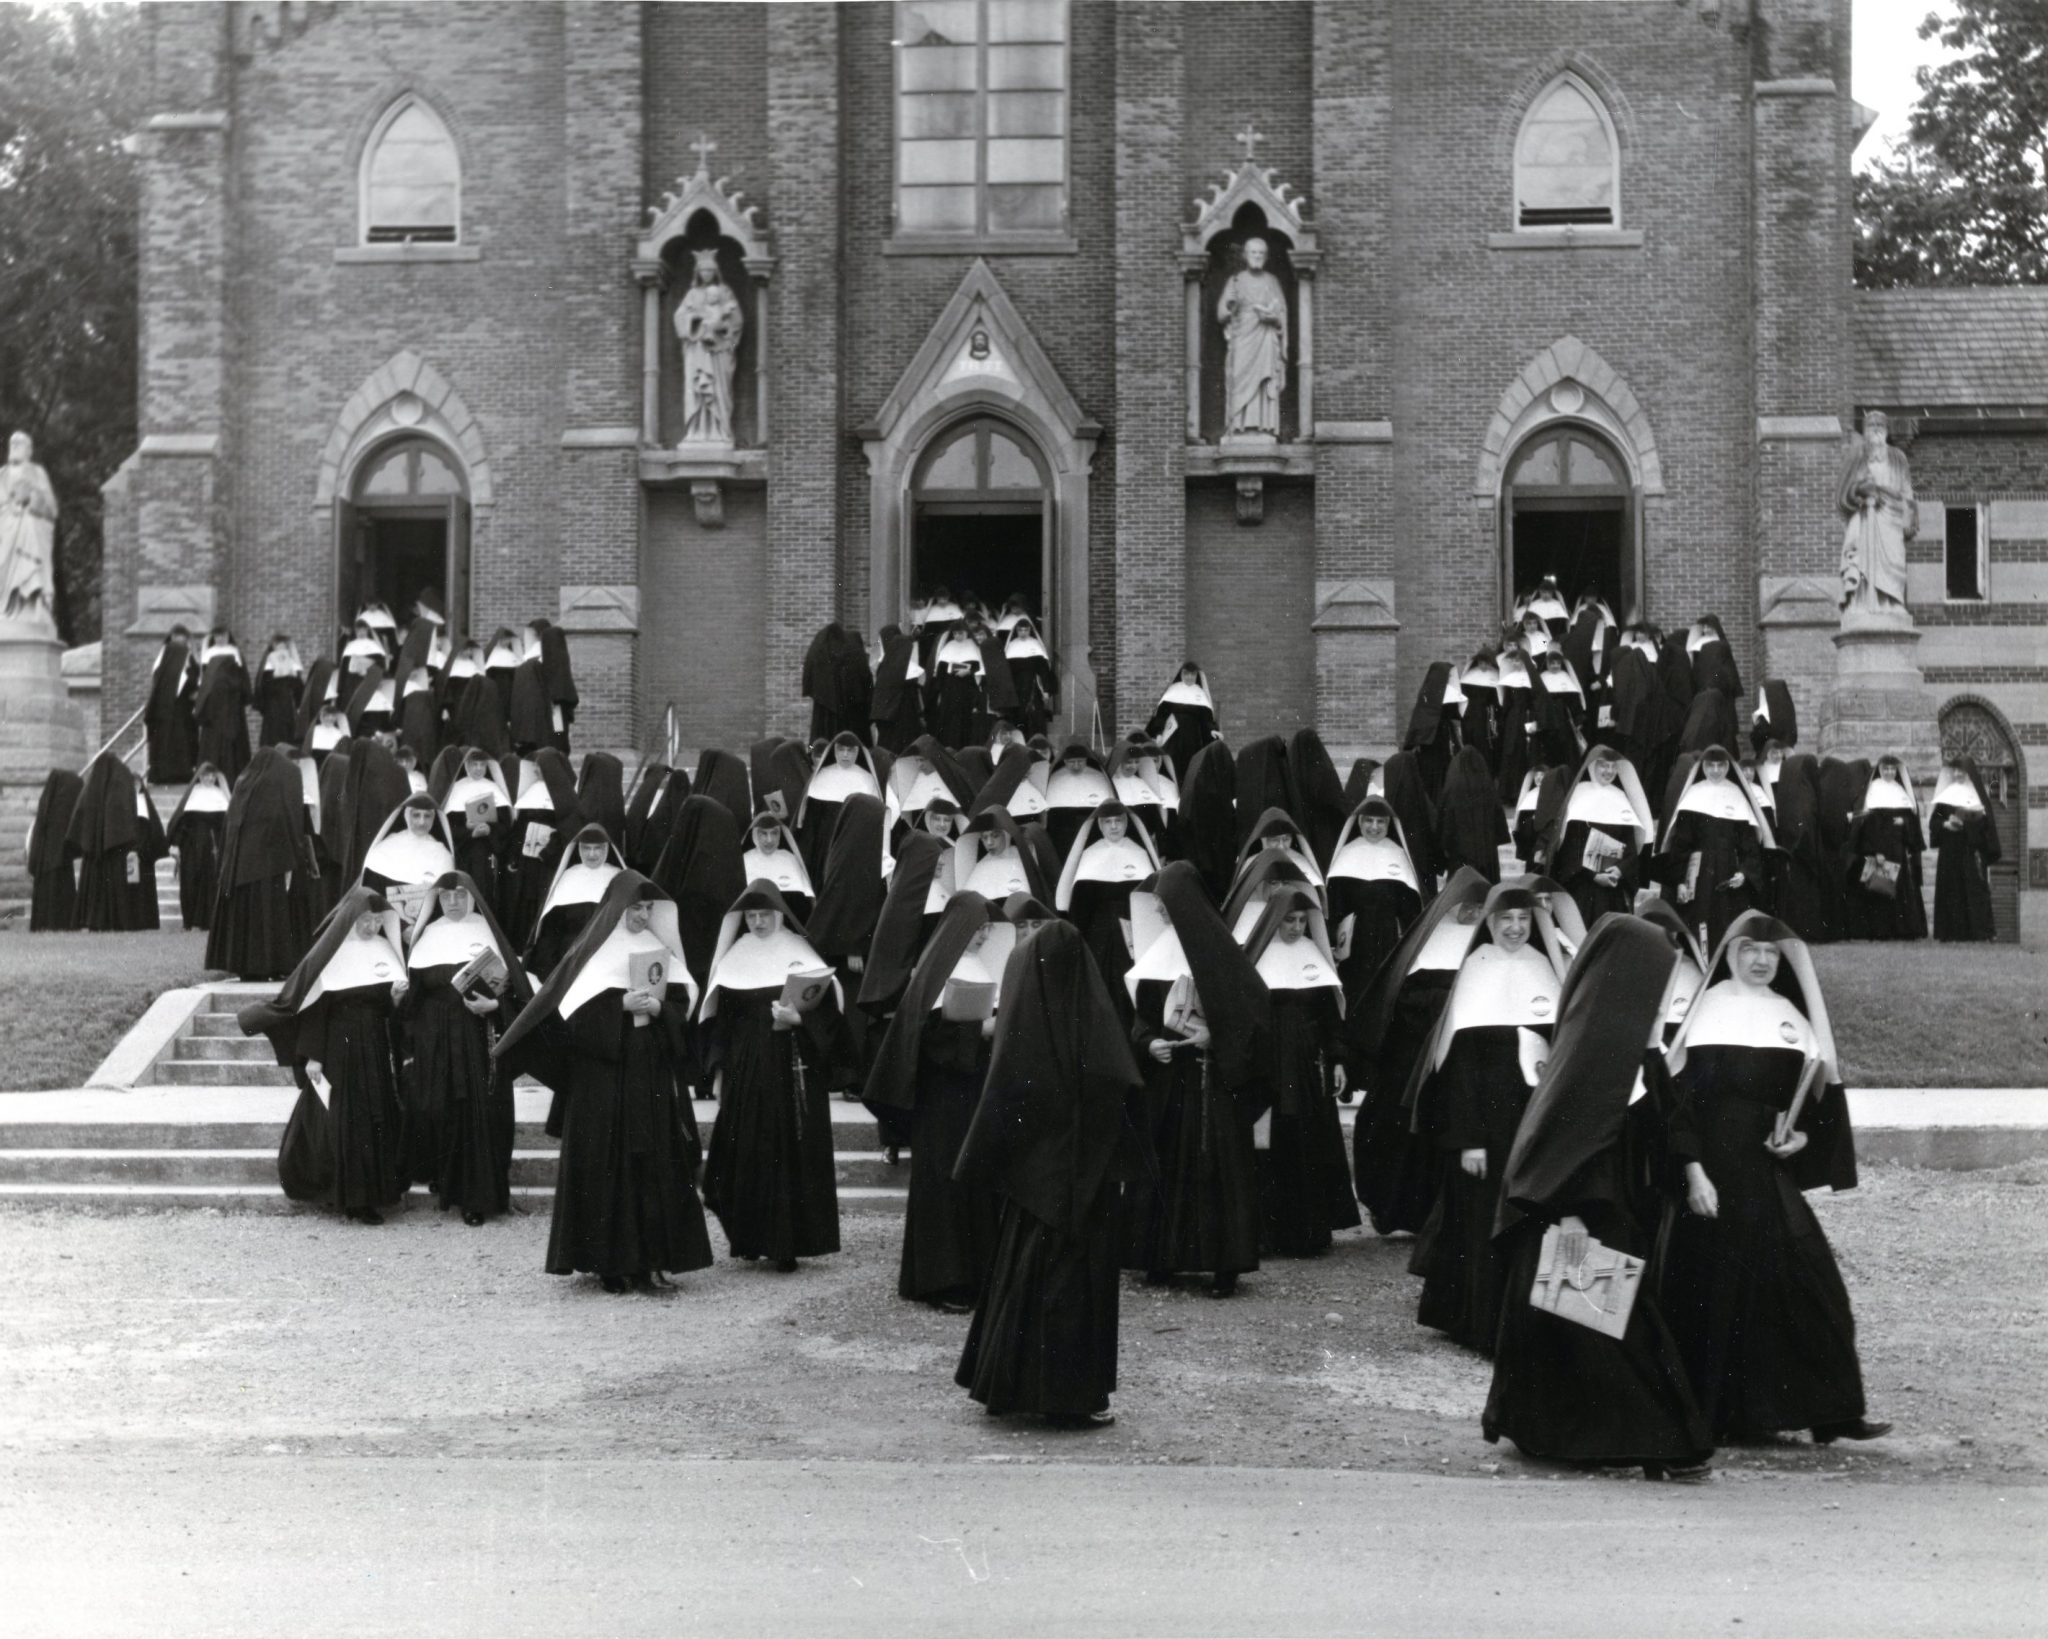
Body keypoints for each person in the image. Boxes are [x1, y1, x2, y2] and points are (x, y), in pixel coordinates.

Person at [1482, 914, 1715, 1481]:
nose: (1667, 998)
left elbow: (1668, 1124)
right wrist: (1568, 1217)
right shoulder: (1592, 1056)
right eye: (1658, 987)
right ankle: (1665, 1444)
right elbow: (1560, 1146)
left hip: (1618, 1213)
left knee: (1586, 1332)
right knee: (1616, 1332)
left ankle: (1571, 1437)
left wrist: (1693, 1172)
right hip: (1577, 1218)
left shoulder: (1642, 1055)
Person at [1661, 914, 1890, 1447]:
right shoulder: (1708, 1007)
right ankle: (1715, 1416)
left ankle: (1833, 1412)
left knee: (1812, 1280)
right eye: (1750, 952)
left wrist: (1801, 1140)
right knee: (1714, 1293)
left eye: (1771, 954)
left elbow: (1811, 1102)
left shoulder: (1790, 1015)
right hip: (1714, 1170)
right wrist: (1693, 1173)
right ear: (1731, 954)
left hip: (1766, 1168)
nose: (1762, 961)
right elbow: (1680, 1108)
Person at [954, 919, 1141, 1427]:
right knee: (1070, 1283)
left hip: (1036, 1174)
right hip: (1079, 1173)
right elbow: (1111, 1083)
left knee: (1021, 1273)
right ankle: (1067, 1397)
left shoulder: (1028, 1026)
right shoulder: (1084, 1022)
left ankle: (1005, 1386)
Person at [496, 872, 715, 1291]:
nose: (642, 915)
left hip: (649, 1074)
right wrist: (620, 1007)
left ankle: (653, 1260)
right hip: (605, 1082)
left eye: (648, 908)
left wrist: (658, 1007)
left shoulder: (658, 949)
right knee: (609, 1168)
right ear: (617, 909)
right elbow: (573, 1021)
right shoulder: (592, 955)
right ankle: (610, 1265)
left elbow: (681, 1006)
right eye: (635, 908)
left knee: (653, 1166)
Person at [1408, 882, 1567, 1354]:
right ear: (1490, 925)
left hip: (1533, 1114)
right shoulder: (1473, 970)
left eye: (1523, 920)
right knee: (1481, 1217)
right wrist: (1468, 1139)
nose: (1515, 929)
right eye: (1505, 921)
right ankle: (1480, 1322)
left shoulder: (1545, 968)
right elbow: (1457, 1068)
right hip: (1486, 1119)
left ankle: (1527, 1319)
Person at [1121, 862, 1268, 1297]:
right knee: (1164, 1165)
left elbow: (1254, 1014)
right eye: (1160, 906)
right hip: (1169, 1082)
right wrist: (1148, 1044)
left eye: (1169, 905)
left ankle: (1224, 1266)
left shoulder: (1219, 950)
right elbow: (1141, 1018)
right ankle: (1161, 1257)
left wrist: (1215, 1037)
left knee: (1215, 1170)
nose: (1163, 913)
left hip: (1213, 1083)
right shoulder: (1156, 953)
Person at [862, 892, 1005, 1310]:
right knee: (945, 1183)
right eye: (975, 930)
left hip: (975, 1090)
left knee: (974, 1182)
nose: (980, 937)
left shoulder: (978, 967)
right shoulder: (936, 970)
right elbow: (926, 1040)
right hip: (942, 1097)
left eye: (985, 931)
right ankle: (943, 1282)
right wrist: (979, 1032)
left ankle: (979, 1277)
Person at [238, 887, 409, 1225]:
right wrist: (313, 1057)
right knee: (348, 1118)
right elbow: (316, 1010)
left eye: (377, 920)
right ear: (350, 919)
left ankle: (379, 1192)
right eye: (365, 920)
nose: (372, 927)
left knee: (376, 1114)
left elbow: (384, 1009)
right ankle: (354, 1200)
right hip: (339, 1046)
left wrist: (394, 999)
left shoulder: (385, 950)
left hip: (374, 1044)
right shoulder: (333, 953)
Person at [698, 882, 844, 1271]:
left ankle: (787, 1245)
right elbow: (722, 1020)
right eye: (751, 916)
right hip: (747, 1066)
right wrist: (718, 1071)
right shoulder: (737, 955)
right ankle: (749, 1237)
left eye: (765, 914)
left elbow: (827, 1011)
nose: (759, 922)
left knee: (791, 1150)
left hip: (793, 1065)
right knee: (749, 1147)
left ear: (779, 914)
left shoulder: (799, 953)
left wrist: (800, 1019)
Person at [1347, 868, 1490, 1237]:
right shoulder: (1425, 943)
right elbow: (1396, 1000)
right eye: (1467, 906)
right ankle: (1397, 1211)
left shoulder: (1484, 944)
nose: (1473, 913)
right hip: (1412, 1055)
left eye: (1480, 907)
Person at [398, 872, 533, 1225]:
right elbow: (413, 999)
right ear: (437, 901)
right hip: (435, 1040)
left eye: (460, 896)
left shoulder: (488, 934)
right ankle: (447, 1181)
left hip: (478, 1036)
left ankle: (477, 1198)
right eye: (446, 897)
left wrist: (495, 1009)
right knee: (439, 1109)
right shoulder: (428, 936)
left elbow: (514, 994)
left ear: (472, 898)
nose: (453, 902)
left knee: (478, 1113)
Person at [1241, 885, 1360, 1257]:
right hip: (1269, 1067)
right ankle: (1268, 1233)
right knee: (1270, 1145)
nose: (1294, 927)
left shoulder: (1313, 957)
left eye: (1300, 920)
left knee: (1309, 1142)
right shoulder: (1255, 958)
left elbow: (1331, 1020)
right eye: (1287, 920)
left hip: (1309, 1068)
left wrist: (1339, 1059)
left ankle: (1310, 1232)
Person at [207, 748, 318, 980]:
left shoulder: (243, 784)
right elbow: (288, 825)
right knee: (269, 915)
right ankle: (274, 965)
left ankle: (249, 968)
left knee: (249, 916)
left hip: (241, 868)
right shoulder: (278, 787)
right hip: (271, 866)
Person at [1054, 800, 1162, 1028]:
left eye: (1119, 821)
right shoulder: (1089, 856)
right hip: (1099, 935)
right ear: (1100, 826)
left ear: (1126, 823)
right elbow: (1079, 908)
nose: (1114, 827)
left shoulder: (1139, 852)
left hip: (1135, 930)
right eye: (1108, 822)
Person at [1657, 745, 1771, 954]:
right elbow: (1681, 845)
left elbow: (1749, 846)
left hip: (1728, 875)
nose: (1716, 770)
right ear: (1703, 767)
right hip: (1698, 877)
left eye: (1721, 765)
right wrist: (1680, 881)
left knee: (1728, 926)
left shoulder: (1737, 794)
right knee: (1696, 926)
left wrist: (1744, 874)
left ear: (1728, 766)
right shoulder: (1694, 794)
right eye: (1711, 765)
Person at [1546, 744, 1655, 928]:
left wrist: (1620, 870)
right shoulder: (1579, 796)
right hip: (1583, 885)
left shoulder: (1621, 797)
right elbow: (1570, 847)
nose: (1609, 771)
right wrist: (1593, 875)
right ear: (1593, 766)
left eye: (1613, 766)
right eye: (1604, 765)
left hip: (1613, 887)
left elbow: (1630, 845)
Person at [1324, 796, 1422, 995]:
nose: (1374, 827)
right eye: (1368, 820)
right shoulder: (1347, 853)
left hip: (1387, 939)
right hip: (1354, 942)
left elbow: (1410, 910)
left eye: (1381, 821)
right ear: (1359, 822)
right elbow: (1334, 906)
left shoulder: (1398, 854)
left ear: (1389, 824)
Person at [66, 753, 166, 932]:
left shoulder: (92, 792)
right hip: (114, 853)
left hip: (96, 853)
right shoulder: (115, 791)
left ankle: (95, 921)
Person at [1842, 752, 1926, 941]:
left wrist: (1903, 823)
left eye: (1892, 769)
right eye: (1886, 769)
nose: (1889, 772)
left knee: (1899, 889)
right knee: (1879, 889)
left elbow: (1911, 822)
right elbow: (1869, 826)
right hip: (1881, 850)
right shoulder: (1873, 790)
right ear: (1880, 770)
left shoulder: (1901, 791)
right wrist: (1875, 850)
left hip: (1898, 850)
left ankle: (1901, 931)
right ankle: (1880, 931)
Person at [526, 823, 624, 980]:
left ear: (607, 848)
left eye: (597, 848)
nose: (592, 854)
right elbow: (551, 931)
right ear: (578, 849)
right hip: (569, 956)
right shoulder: (568, 877)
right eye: (586, 848)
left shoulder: (619, 877)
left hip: (607, 954)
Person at [358, 790, 456, 927]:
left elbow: (443, 902)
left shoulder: (442, 854)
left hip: (427, 927)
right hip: (386, 926)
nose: (422, 822)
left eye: (427, 816)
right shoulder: (384, 849)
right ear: (406, 815)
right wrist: (403, 928)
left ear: (433, 818)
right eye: (416, 815)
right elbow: (373, 897)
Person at [795, 732, 882, 884]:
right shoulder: (821, 776)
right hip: (825, 845)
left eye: (850, 750)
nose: (845, 755)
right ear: (834, 750)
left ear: (858, 752)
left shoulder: (867, 779)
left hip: (854, 844)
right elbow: (810, 821)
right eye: (841, 750)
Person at [1930, 756, 1999, 942]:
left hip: (1970, 850)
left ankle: (1978, 933)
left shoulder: (1977, 796)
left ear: (1969, 773)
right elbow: (1934, 822)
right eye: (1956, 771)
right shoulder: (1946, 797)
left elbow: (1985, 826)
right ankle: (1951, 934)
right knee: (1951, 890)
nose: (1958, 774)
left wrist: (1965, 824)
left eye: (1962, 771)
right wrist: (1946, 823)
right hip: (1950, 851)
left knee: (1973, 891)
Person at [164, 764, 232, 931]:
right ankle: (191, 920)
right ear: (199, 777)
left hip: (214, 846)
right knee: (191, 880)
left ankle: (211, 920)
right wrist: (176, 844)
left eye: (212, 776)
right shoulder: (191, 796)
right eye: (206, 775)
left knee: (212, 881)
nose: (209, 779)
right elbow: (182, 824)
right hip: (192, 846)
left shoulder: (221, 795)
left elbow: (227, 824)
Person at [25, 767, 84, 932]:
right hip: (59, 860)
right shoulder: (62, 807)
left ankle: (46, 923)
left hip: (47, 859)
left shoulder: (51, 805)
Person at [142, 625, 201, 786]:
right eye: (177, 640)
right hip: (172, 706)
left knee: (176, 740)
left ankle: (174, 773)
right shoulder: (175, 654)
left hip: (176, 706)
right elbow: (189, 678)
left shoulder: (173, 656)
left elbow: (191, 677)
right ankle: (172, 773)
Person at [1146, 663, 1222, 785]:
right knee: (1171, 763)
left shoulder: (1200, 694)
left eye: (1192, 674)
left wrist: (1212, 729)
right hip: (1173, 736)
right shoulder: (1172, 691)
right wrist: (1158, 732)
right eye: (1186, 673)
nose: (1189, 677)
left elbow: (1206, 719)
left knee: (1191, 764)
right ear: (1181, 674)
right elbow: (1161, 715)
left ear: (1196, 676)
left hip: (1193, 738)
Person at [741, 811, 816, 922]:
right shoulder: (744, 860)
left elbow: (805, 902)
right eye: (764, 834)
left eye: (774, 833)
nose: (769, 840)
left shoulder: (790, 858)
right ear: (755, 834)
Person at [255, 635, 306, 748]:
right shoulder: (268, 664)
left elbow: (299, 687)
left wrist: (298, 703)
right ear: (274, 648)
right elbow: (263, 686)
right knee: (273, 736)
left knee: (289, 736)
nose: (281, 649)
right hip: (273, 707)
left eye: (284, 647)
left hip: (289, 706)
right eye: (279, 647)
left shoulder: (292, 664)